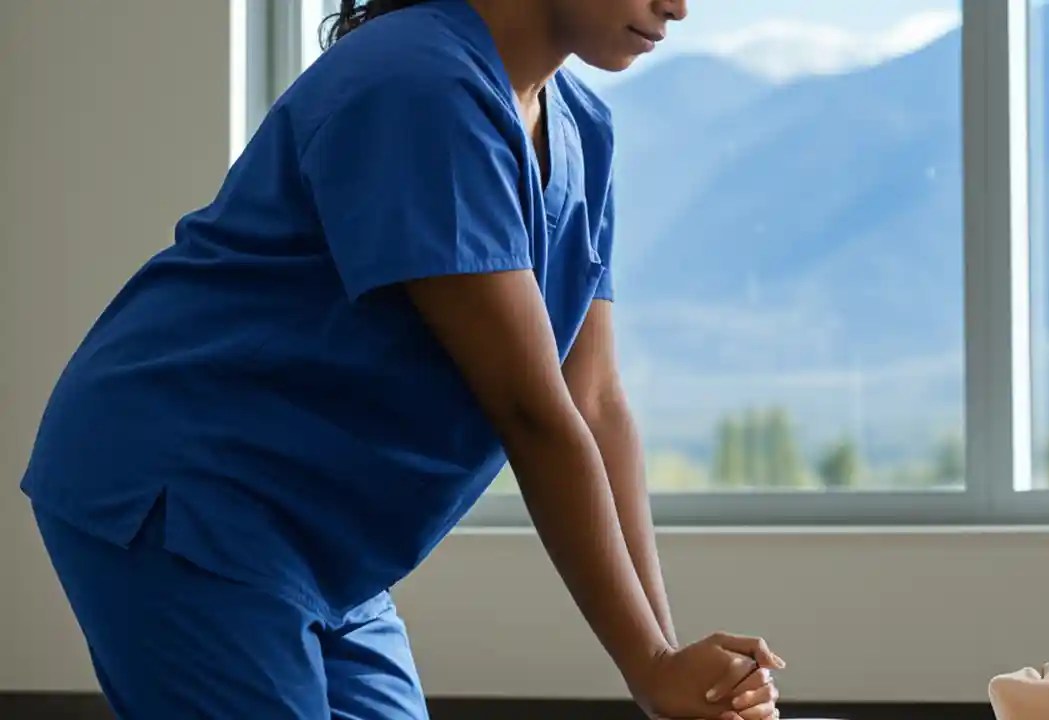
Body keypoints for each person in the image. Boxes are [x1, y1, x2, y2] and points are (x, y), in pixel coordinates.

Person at [19, 0, 783, 717]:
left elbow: (595, 403)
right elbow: (530, 411)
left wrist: (668, 658)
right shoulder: (419, 85)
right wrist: (649, 666)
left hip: (327, 550)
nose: (679, 6)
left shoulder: (584, 129)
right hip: (188, 495)